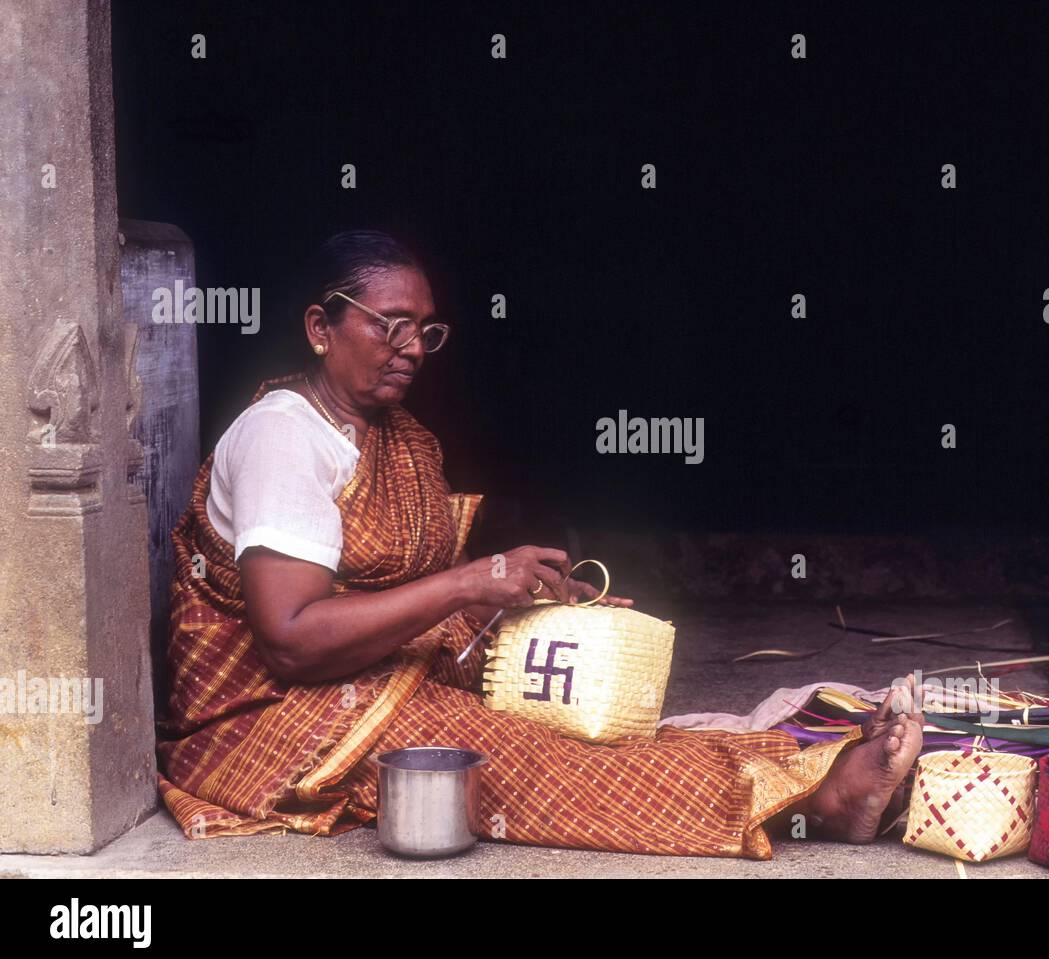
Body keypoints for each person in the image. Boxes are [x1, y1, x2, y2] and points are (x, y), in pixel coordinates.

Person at [156, 230, 924, 857]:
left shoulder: (404, 440)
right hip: (267, 717)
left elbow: (399, 602)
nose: (412, 346)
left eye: (425, 329)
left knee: (572, 725)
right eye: (387, 323)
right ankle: (816, 801)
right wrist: (469, 583)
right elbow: (290, 642)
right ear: (321, 328)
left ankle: (800, 778)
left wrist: (529, 611)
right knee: (523, 760)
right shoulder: (282, 439)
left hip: (366, 680)